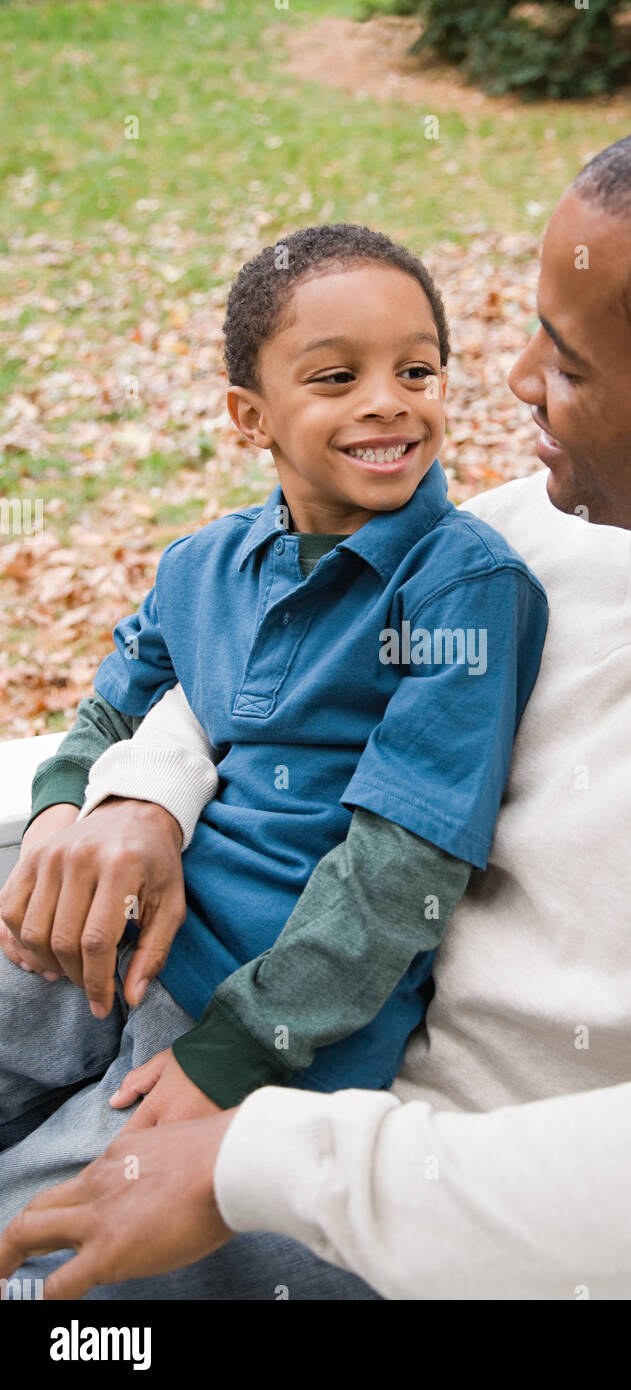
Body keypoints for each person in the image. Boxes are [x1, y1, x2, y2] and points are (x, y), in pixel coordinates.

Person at [2, 104, 631, 1301]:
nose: (506, 387)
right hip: (220, 968)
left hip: (404, 1182)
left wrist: (254, 1160)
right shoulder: (557, 516)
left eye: (564, 366)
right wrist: (142, 789)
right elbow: (278, 646)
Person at [0, 225, 547, 1234]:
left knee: (35, 1234)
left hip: (272, 1023)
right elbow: (115, 704)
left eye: (416, 369)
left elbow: (402, 869)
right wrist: (57, 813)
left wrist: (237, 1051)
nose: (389, 399)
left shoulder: (461, 587)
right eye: (337, 377)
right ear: (249, 418)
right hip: (117, 933)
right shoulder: (204, 562)